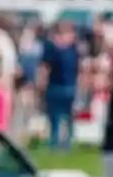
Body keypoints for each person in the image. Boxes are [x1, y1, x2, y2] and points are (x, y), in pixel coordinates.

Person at [40, 21, 81, 150]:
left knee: (56, 117)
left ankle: (56, 142)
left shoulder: (51, 48)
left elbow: (44, 68)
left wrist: (41, 84)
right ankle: (66, 142)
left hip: (57, 86)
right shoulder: (73, 49)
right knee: (66, 117)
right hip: (67, 86)